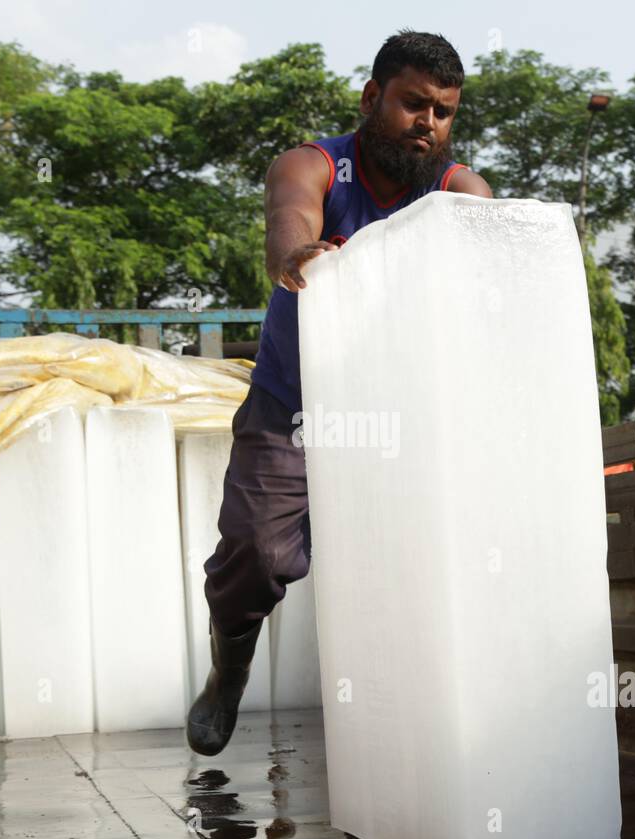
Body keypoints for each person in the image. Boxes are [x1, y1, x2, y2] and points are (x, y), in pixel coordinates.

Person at [187, 30, 493, 756]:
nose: (428, 124)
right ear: (371, 98)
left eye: (444, 113)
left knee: (416, 565)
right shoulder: (315, 164)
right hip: (291, 403)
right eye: (413, 104)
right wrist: (299, 253)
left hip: (402, 415)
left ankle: (414, 731)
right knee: (255, 553)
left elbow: (489, 243)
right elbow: (291, 215)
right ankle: (228, 675)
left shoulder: (455, 188)